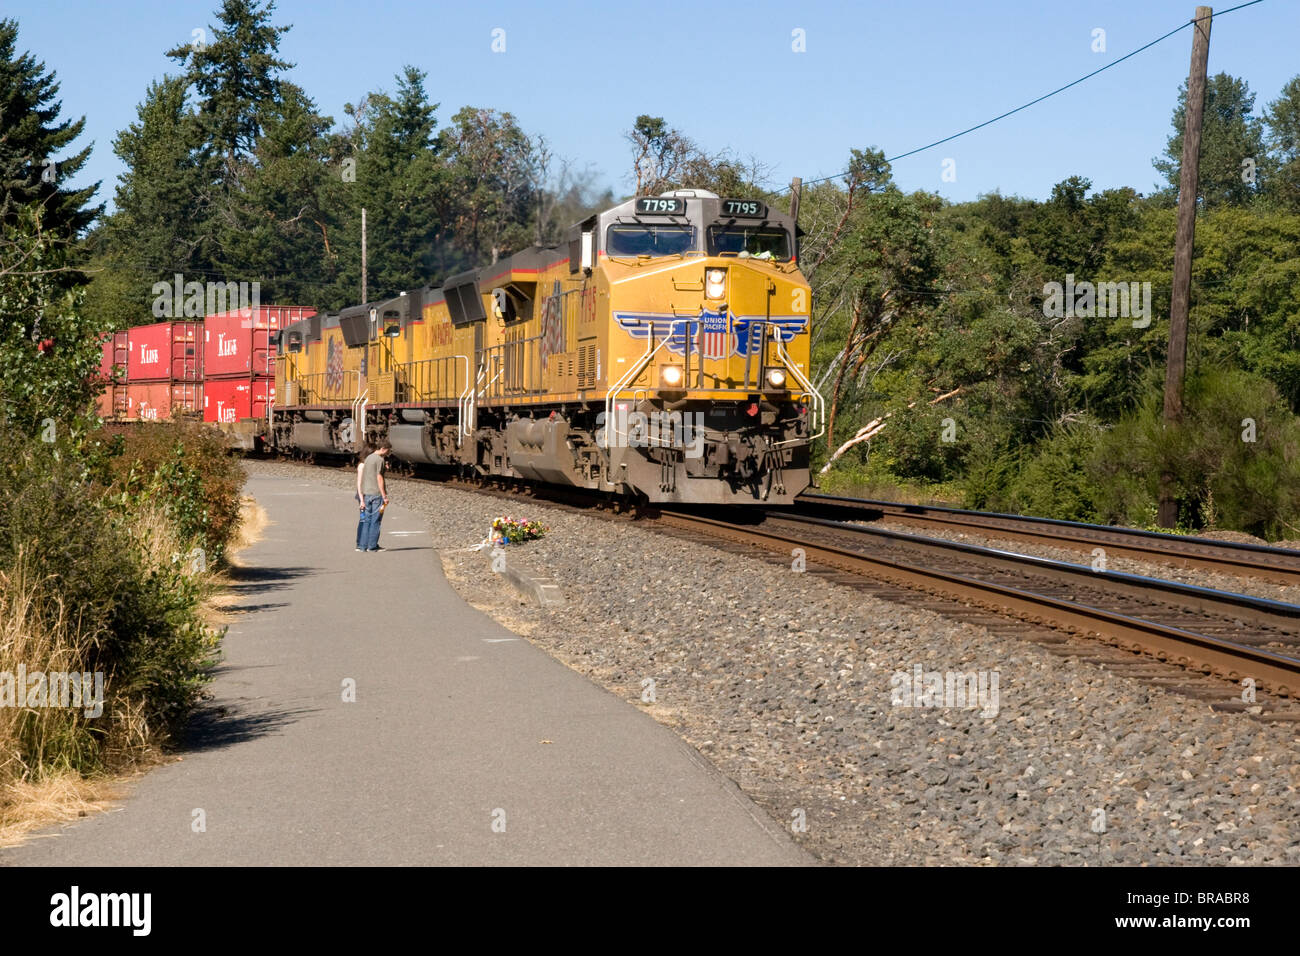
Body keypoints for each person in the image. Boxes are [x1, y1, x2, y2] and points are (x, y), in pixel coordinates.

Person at [357, 439, 392, 552]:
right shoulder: (379, 460)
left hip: (367, 493)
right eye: (387, 451)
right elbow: (379, 478)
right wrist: (384, 495)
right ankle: (372, 546)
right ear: (383, 449)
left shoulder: (368, 458)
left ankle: (362, 546)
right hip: (376, 494)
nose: (388, 453)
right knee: (375, 520)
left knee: (367, 520)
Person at [353, 447, 370, 551]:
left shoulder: (367, 465)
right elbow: (359, 483)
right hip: (363, 495)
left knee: (365, 519)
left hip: (367, 494)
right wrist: (362, 499)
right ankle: (360, 543)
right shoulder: (362, 466)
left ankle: (363, 542)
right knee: (363, 519)